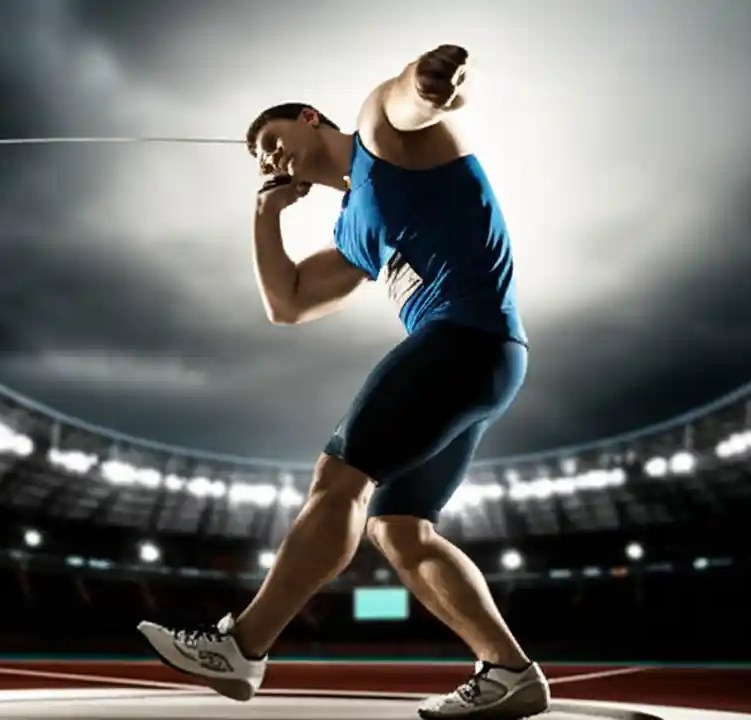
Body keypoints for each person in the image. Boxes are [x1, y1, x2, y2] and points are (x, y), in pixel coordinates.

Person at [138, 44, 549, 719]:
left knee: (339, 481)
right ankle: (509, 672)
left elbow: (409, 102)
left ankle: (242, 646)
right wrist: (266, 213)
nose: (269, 157)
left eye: (272, 140)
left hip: (461, 338)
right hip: (486, 356)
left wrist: (430, 81)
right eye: (260, 159)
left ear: (308, 118)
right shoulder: (354, 227)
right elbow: (289, 304)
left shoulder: (380, 137)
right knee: (401, 528)